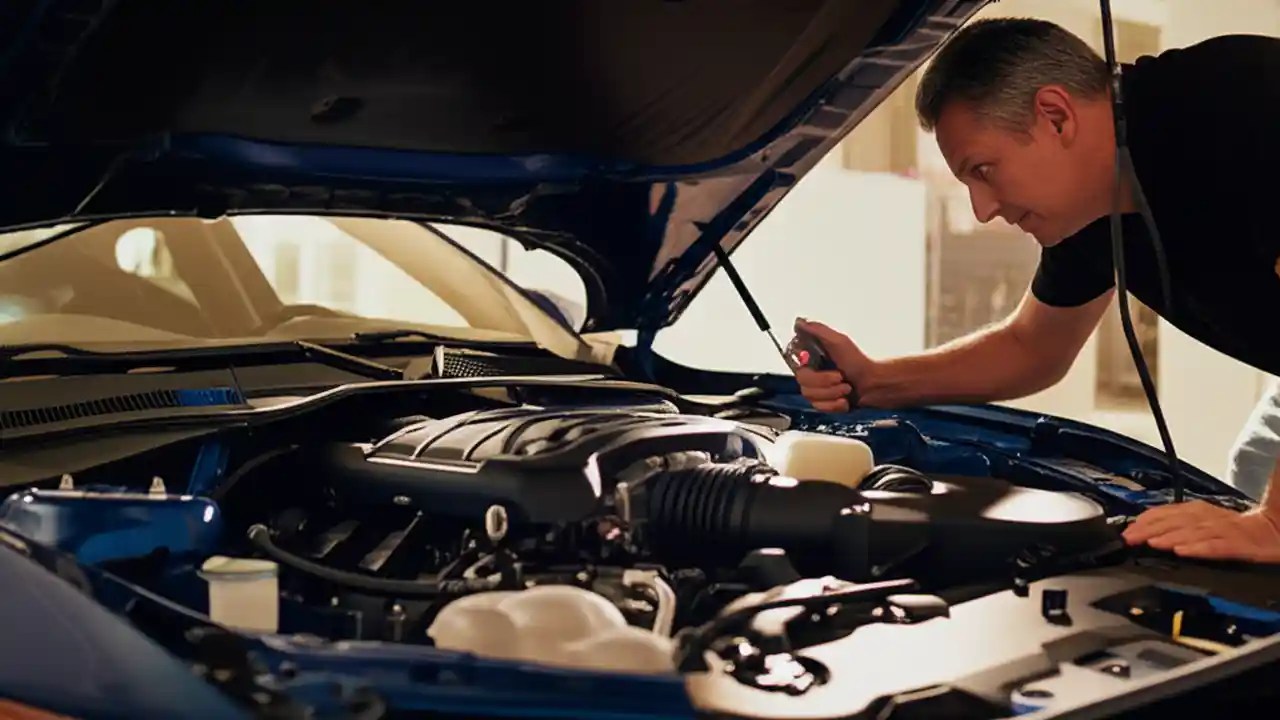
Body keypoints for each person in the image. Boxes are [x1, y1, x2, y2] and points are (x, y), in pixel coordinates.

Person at [793, 19, 1280, 562]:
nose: (983, 210)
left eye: (984, 170)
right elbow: (1034, 348)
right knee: (1256, 469)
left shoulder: (1240, 99)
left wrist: (1275, 525)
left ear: (1055, 116)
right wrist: (876, 382)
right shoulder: (1090, 208)